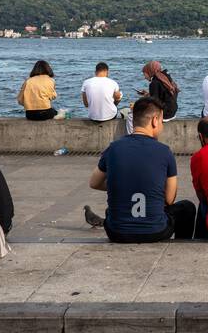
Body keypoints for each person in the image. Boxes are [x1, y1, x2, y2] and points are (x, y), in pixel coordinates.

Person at [84, 97, 196, 242]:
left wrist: (124, 186)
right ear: (155, 120)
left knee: (111, 211)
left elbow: (94, 183)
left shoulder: (113, 148)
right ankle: (182, 245)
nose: (161, 126)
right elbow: (169, 199)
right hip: (155, 231)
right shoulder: (164, 152)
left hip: (117, 232)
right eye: (161, 121)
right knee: (187, 207)